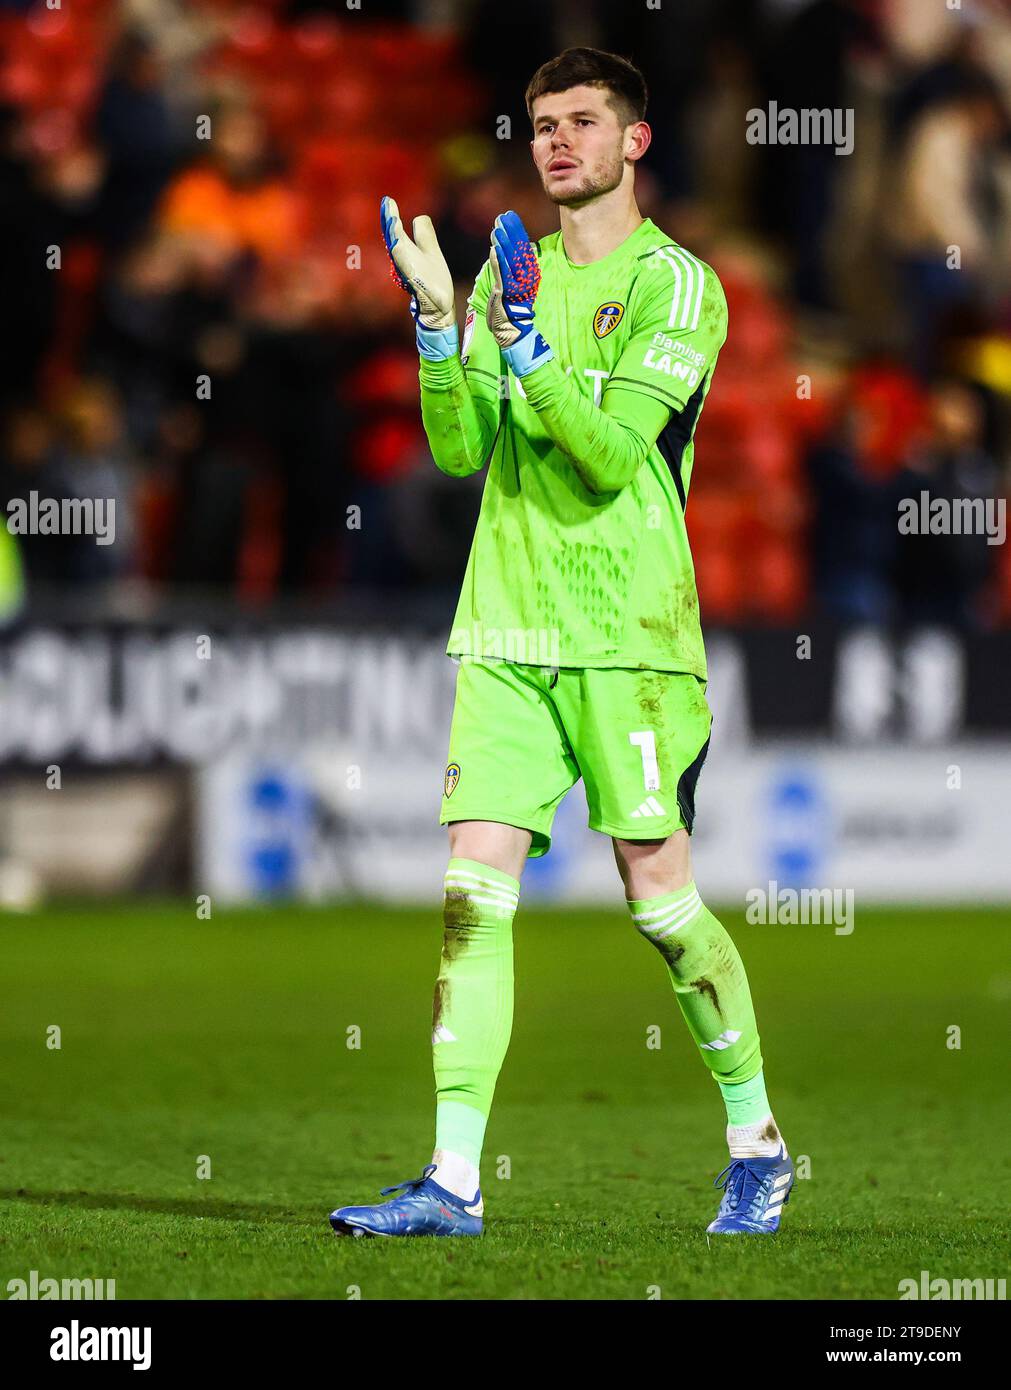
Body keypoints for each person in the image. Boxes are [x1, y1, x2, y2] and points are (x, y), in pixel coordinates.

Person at [330, 47, 793, 1239]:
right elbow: (455, 447)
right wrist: (444, 328)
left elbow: (603, 457)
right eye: (542, 123)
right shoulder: (503, 276)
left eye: (583, 121)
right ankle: (453, 1180)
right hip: (504, 627)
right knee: (471, 899)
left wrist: (527, 346)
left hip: (630, 633)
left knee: (657, 896)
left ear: (635, 140)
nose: (557, 142)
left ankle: (757, 1137)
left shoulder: (680, 286)